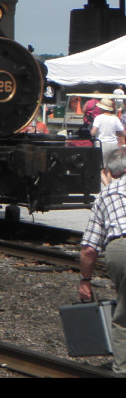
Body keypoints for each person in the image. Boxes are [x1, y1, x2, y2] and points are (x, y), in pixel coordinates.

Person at [79, 148, 126, 375]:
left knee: (124, 316)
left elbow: (89, 249)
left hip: (121, 248)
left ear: (111, 172)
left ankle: (123, 368)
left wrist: (85, 280)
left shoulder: (106, 195)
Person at [92, 98, 126, 164]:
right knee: (112, 167)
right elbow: (123, 133)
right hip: (113, 145)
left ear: (101, 108)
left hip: (102, 144)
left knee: (101, 166)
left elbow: (93, 132)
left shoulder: (98, 118)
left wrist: (90, 131)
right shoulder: (115, 118)